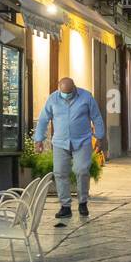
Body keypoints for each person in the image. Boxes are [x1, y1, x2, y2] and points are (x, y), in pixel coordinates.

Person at [34, 77, 107, 218]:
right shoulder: (52, 99)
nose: (66, 95)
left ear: (74, 87)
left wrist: (99, 137)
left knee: (82, 170)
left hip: (82, 141)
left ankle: (82, 202)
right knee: (60, 172)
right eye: (64, 92)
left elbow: (96, 117)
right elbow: (43, 119)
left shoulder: (86, 97)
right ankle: (65, 206)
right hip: (60, 142)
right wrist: (39, 139)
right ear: (58, 88)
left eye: (69, 92)